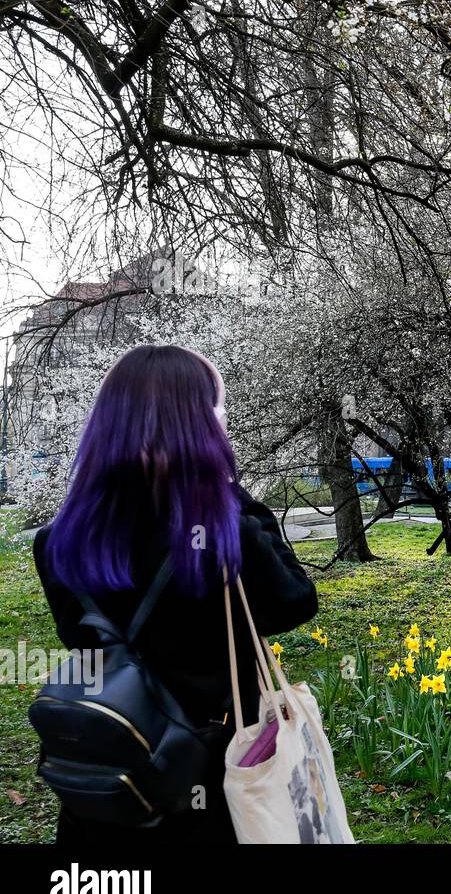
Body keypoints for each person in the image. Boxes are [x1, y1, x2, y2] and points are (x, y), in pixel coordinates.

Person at [33, 345, 318, 844]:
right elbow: (295, 602)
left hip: (113, 781)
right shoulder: (226, 534)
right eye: (217, 409)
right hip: (207, 779)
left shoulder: (57, 540)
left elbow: (81, 638)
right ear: (199, 426)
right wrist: (229, 492)